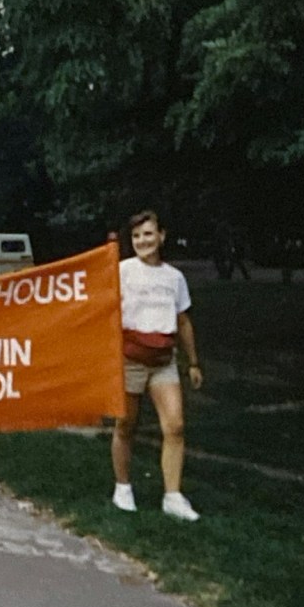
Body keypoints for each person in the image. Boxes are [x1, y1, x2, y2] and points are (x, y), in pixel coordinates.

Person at [111, 210, 204, 522]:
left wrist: (193, 362)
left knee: (175, 426)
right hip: (129, 359)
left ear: (162, 236)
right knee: (126, 425)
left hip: (164, 361)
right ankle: (123, 488)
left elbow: (183, 320)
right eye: (136, 236)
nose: (142, 241)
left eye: (148, 234)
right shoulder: (121, 271)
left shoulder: (174, 278)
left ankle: (173, 496)